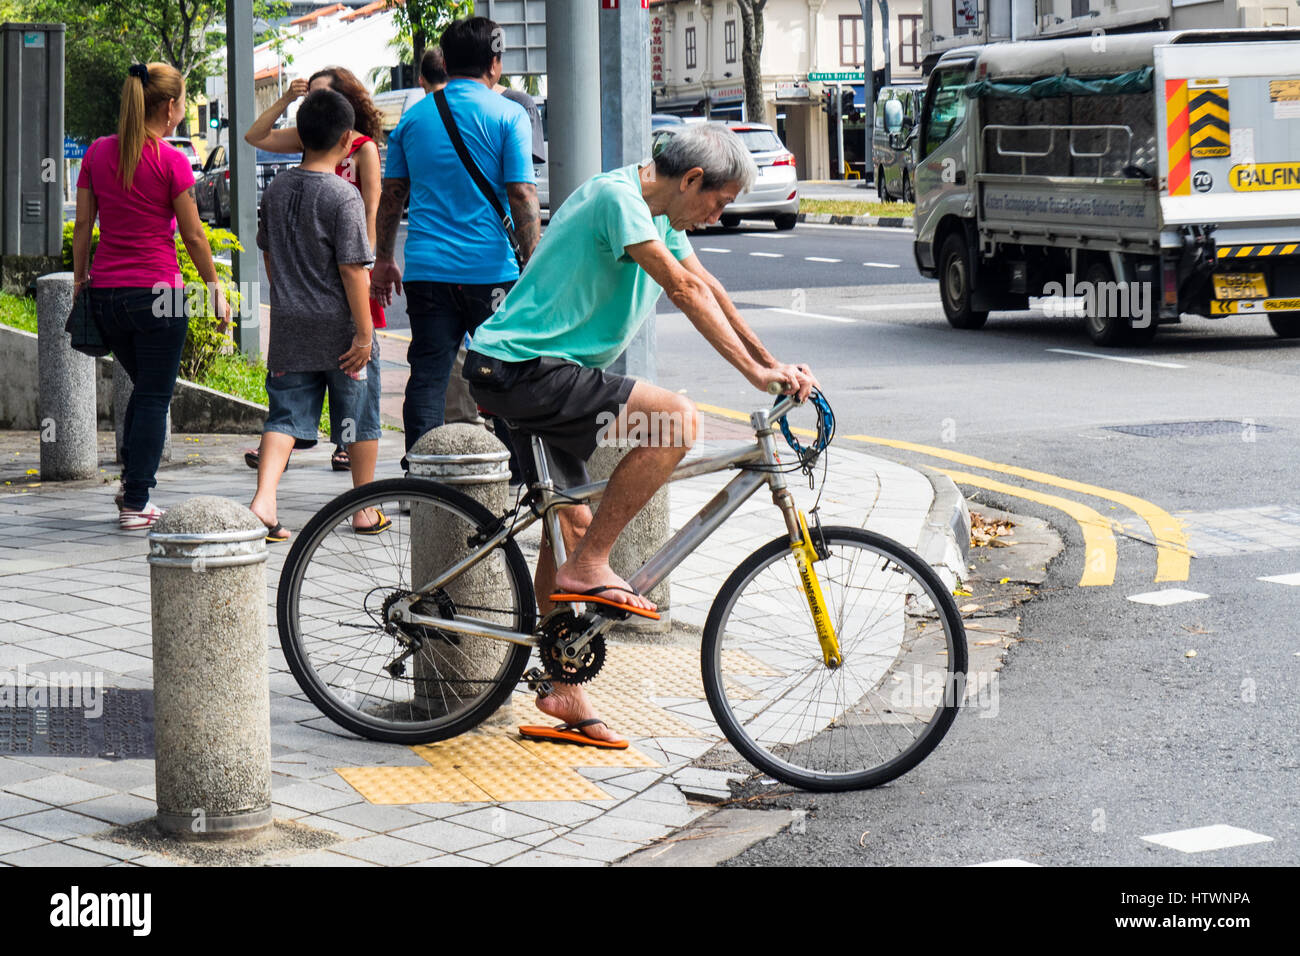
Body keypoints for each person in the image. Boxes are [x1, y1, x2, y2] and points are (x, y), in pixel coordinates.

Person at [465, 124, 818, 745]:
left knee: (568, 524)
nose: (718, 213)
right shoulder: (618, 200)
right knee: (676, 421)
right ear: (689, 181)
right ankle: (594, 564)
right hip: (518, 369)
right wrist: (758, 376)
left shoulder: (662, 212)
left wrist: (773, 362)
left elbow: (707, 285)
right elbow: (679, 289)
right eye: (720, 200)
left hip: (542, 372)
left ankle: (561, 688)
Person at [370, 16, 540, 469]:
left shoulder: (414, 119)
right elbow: (521, 193)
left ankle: (419, 478)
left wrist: (384, 259)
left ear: (444, 61)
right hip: (493, 272)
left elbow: (392, 197)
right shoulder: (509, 115)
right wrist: (534, 260)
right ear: (495, 63)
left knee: (427, 375)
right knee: (505, 371)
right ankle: (521, 474)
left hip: (427, 271)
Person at [73, 61, 231, 530]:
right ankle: (137, 501)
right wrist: (215, 289)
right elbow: (195, 236)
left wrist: (82, 280)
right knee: (154, 396)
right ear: (169, 106)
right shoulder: (171, 160)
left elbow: (84, 225)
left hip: (107, 297)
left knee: (146, 392)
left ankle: (131, 485)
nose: (183, 110)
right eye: (183, 102)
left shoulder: (98, 153)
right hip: (160, 296)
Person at [248, 88, 385, 542]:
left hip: (291, 326)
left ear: (301, 135)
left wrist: (288, 294)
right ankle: (364, 511)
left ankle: (265, 499)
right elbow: (352, 270)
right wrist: (364, 336)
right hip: (343, 332)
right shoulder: (343, 196)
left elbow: (268, 254)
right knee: (359, 419)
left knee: (284, 417)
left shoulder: (279, 188)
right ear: (348, 139)